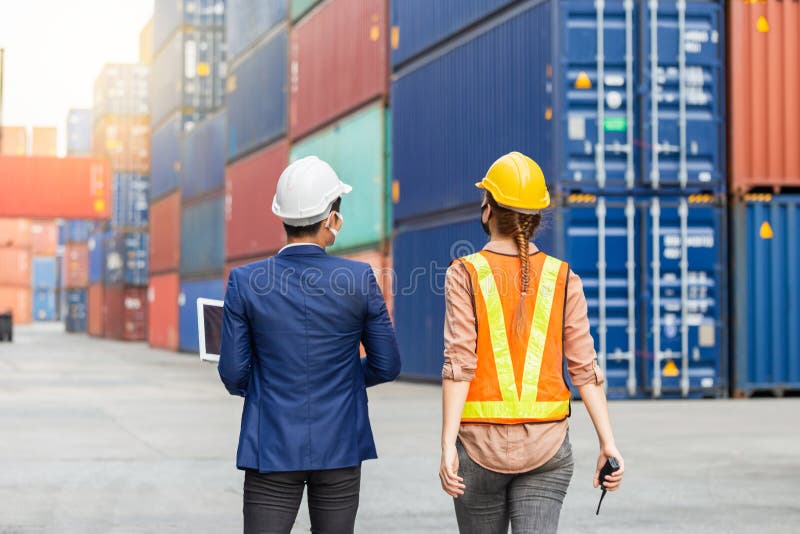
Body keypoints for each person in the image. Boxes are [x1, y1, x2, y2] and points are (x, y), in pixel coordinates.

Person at [438, 152, 625, 533]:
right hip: (548, 446)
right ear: (536, 217)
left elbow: (459, 365)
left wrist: (446, 445)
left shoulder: (465, 273)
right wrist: (609, 443)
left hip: (478, 446)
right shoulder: (563, 276)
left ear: (488, 210)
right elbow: (586, 370)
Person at [219, 155, 401, 534]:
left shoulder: (245, 281)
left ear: (281, 216)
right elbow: (387, 364)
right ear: (331, 219)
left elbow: (235, 373)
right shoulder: (358, 278)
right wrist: (343, 379)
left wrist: (269, 385)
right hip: (339, 445)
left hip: (270, 445)